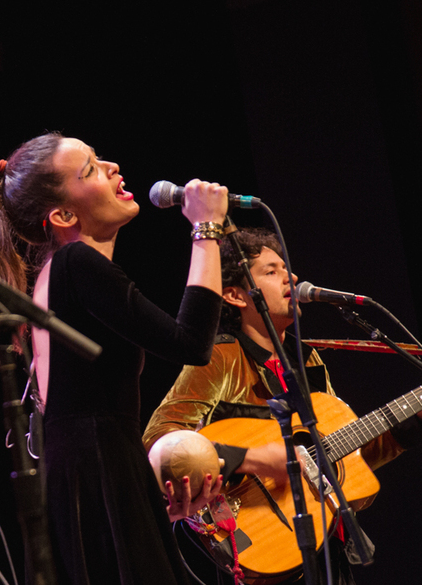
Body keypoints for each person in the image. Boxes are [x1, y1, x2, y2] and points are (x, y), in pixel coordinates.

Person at [0, 133, 230, 584]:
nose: (111, 166)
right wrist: (207, 229)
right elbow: (192, 344)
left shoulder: (61, 275)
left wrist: (143, 501)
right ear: (63, 214)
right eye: (90, 168)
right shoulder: (74, 264)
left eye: (100, 157)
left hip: (92, 474)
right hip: (97, 467)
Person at [143, 227, 422, 584]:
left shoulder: (308, 360)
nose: (291, 276)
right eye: (271, 271)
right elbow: (161, 442)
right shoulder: (220, 357)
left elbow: (340, 455)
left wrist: (410, 426)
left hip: (326, 546)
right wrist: (255, 459)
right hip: (260, 537)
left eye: (286, 268)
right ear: (235, 296)